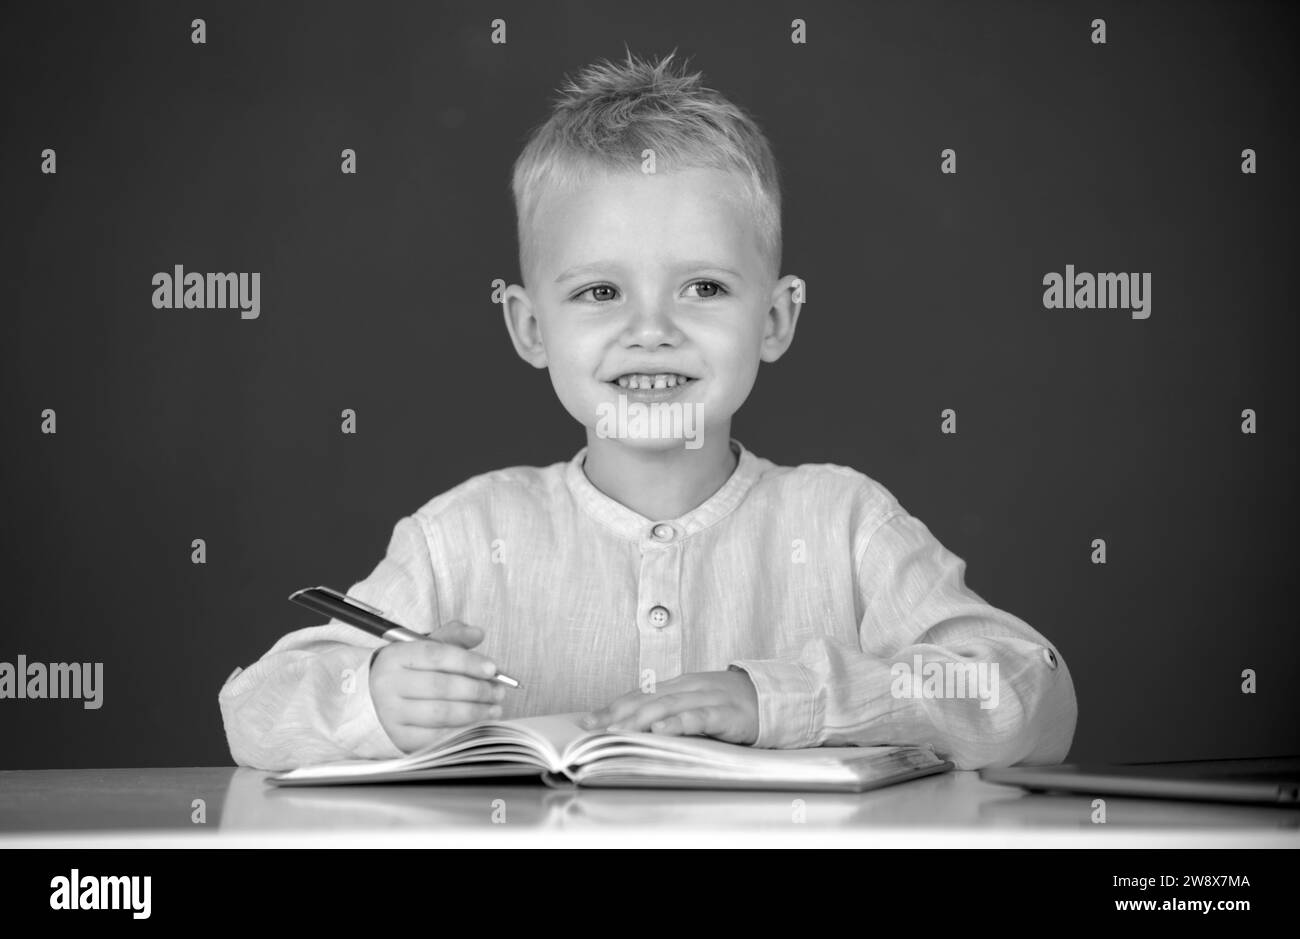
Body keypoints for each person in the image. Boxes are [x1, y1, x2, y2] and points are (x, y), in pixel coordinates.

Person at [219, 50, 1077, 772]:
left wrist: (781, 697)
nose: (652, 330)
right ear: (529, 327)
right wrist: (371, 696)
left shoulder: (846, 523)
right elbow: (253, 709)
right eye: (599, 291)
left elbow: (1034, 690)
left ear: (774, 318)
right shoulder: (461, 536)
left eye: (703, 287)